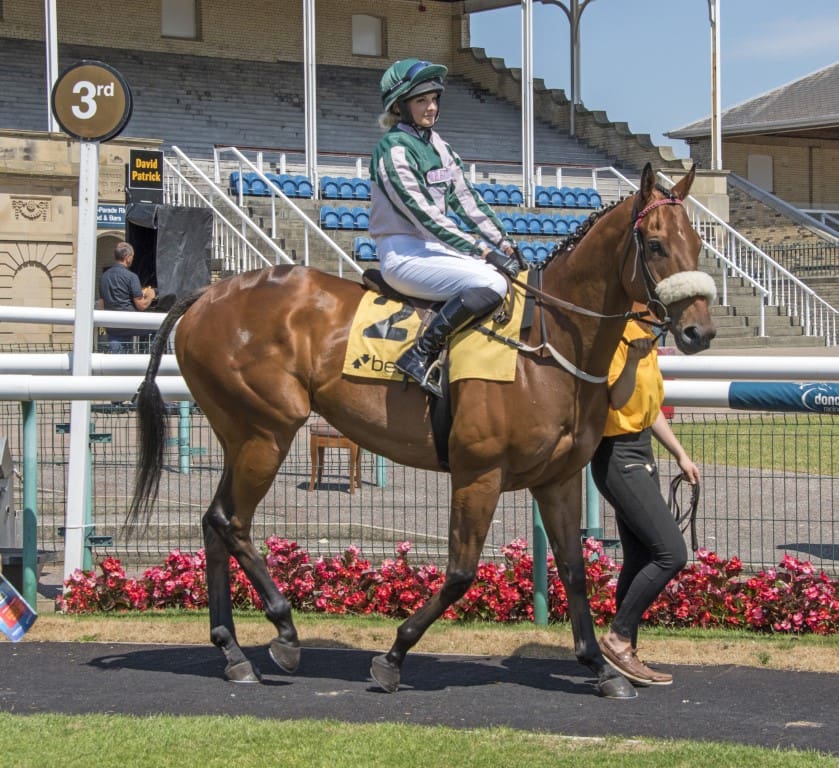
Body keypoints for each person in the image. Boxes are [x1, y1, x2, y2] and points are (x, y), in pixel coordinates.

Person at [368, 58, 523, 396]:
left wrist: (506, 244)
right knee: (492, 282)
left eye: (434, 98)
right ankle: (419, 355)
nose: (431, 107)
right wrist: (483, 251)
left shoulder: (440, 146)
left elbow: (468, 202)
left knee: (513, 279)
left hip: (435, 250)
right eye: (421, 100)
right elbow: (424, 215)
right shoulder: (392, 150)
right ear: (399, 106)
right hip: (403, 253)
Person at [591, 312, 700, 686]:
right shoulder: (619, 336)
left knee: (639, 558)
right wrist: (634, 359)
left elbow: (650, 410)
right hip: (617, 457)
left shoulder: (644, 334)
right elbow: (617, 401)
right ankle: (618, 638)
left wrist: (680, 454)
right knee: (672, 554)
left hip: (640, 455)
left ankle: (624, 653)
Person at [99, 241, 156, 353]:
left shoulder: (104, 277)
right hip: (129, 323)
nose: (133, 259)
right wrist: (150, 295)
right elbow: (141, 306)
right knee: (158, 327)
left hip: (112, 325)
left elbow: (101, 304)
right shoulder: (131, 277)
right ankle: (152, 359)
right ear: (127, 257)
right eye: (132, 256)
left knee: (117, 358)